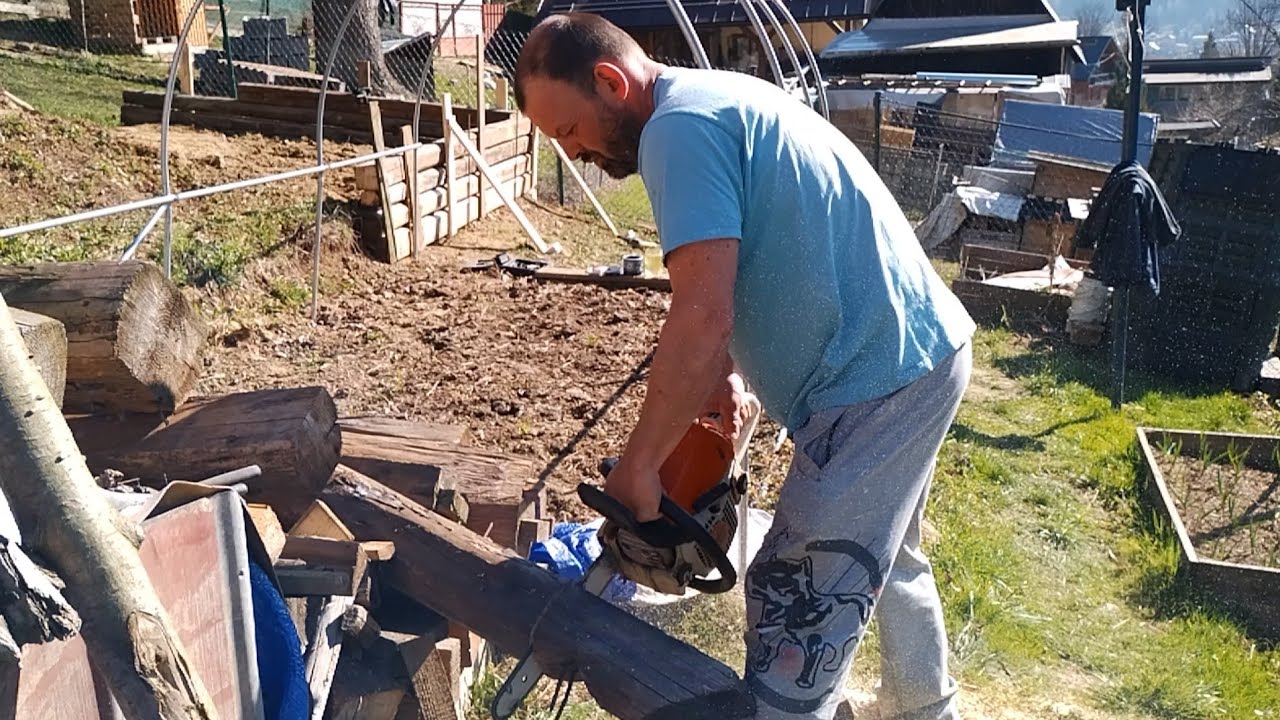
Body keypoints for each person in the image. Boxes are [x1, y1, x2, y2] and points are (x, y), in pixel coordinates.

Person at [514, 13, 976, 720]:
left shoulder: (677, 131)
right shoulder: (706, 101)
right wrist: (728, 373)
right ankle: (925, 706)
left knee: (802, 581)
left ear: (609, 81)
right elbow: (746, 258)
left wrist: (640, 468)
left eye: (571, 130)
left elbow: (702, 315)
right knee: (879, 552)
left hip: (879, 378)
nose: (575, 153)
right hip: (912, 352)